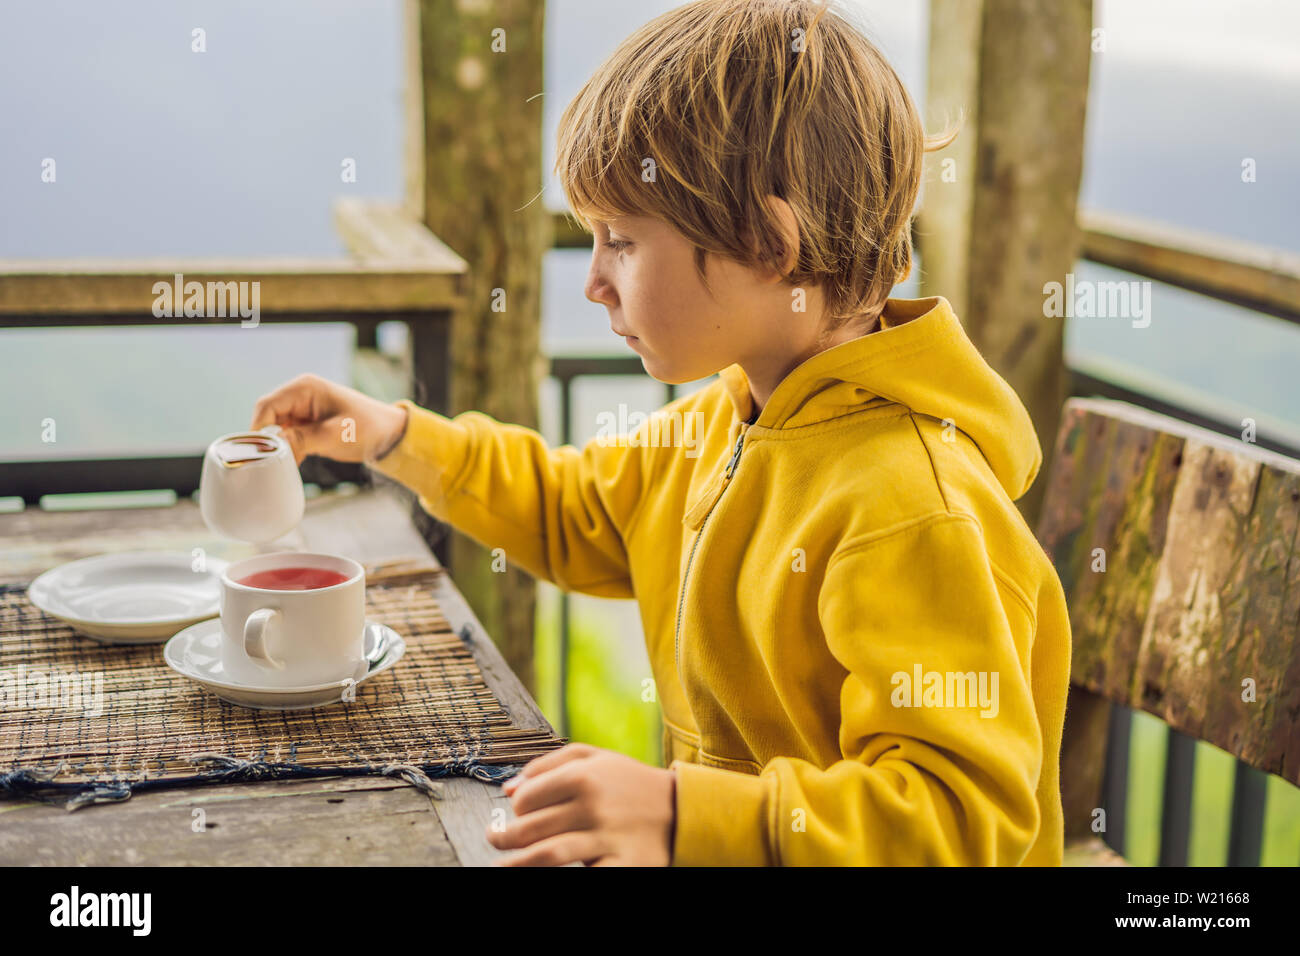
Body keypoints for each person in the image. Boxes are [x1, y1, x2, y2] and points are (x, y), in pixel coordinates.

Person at [251, 0, 1070, 866]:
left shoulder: (912, 506)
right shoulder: (724, 422)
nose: (594, 281)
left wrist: (687, 818)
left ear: (767, 242)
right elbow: (575, 510)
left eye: (621, 242)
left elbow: (961, 820)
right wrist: (392, 435)